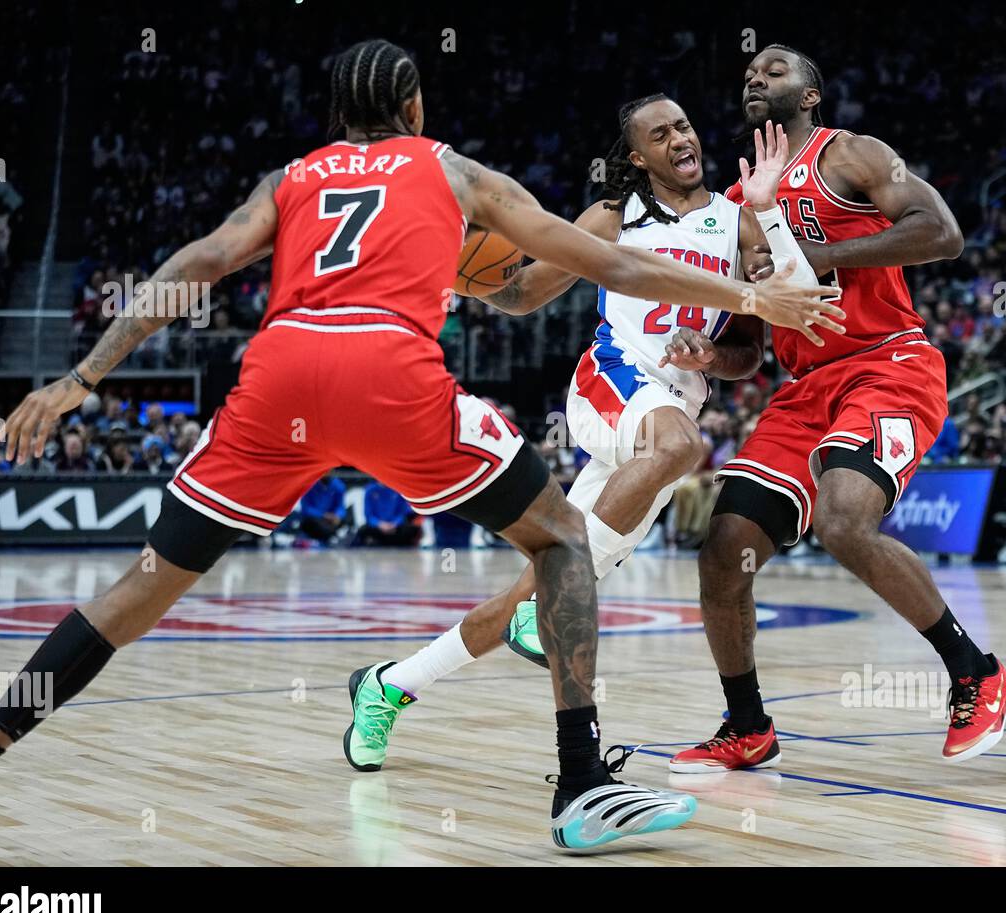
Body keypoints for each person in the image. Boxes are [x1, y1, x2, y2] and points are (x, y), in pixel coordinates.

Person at [0, 39, 837, 850]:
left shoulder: (292, 176)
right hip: (392, 378)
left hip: (279, 378)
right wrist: (759, 300)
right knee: (562, 541)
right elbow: (604, 267)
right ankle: (578, 786)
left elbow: (199, 264)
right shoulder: (452, 171)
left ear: (340, 117)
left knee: (133, 594)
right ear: (415, 110)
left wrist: (80, 379)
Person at [342, 95, 821, 720]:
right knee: (679, 449)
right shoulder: (611, 217)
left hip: (669, 413)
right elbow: (518, 294)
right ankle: (536, 620)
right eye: (660, 134)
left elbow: (783, 315)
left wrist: (759, 226)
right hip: (613, 382)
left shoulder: (737, 221)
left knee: (541, 581)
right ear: (637, 156)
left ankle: (390, 685)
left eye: (683, 126)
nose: (679, 138)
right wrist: (441, 262)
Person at [675, 44, 1006, 772]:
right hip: (802, 391)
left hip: (886, 364)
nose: (755, 78)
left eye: (773, 70)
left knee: (842, 519)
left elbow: (942, 233)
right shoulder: (736, 205)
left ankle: (974, 670)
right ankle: (748, 725)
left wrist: (822, 254)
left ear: (810, 95)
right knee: (721, 551)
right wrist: (711, 357)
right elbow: (747, 350)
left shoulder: (852, 155)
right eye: (747, 75)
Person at [352, 481, 421, 547]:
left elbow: (402, 513)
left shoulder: (398, 489)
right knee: (363, 530)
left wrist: (394, 524)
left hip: (395, 527)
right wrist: (379, 524)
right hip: (377, 528)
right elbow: (368, 515)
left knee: (412, 530)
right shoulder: (370, 490)